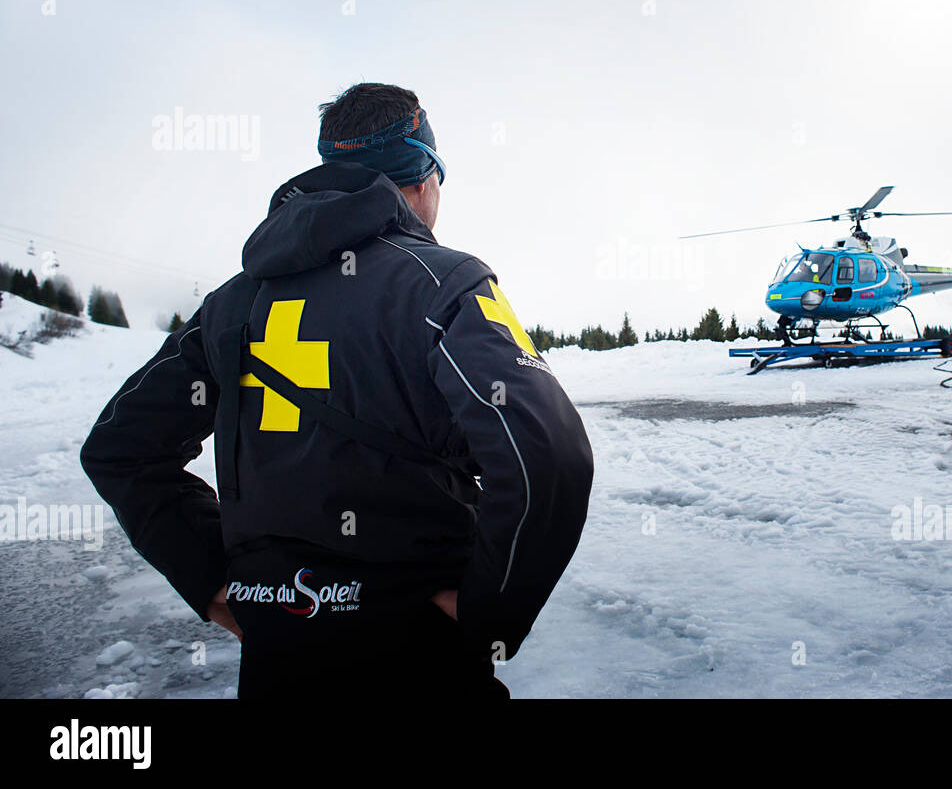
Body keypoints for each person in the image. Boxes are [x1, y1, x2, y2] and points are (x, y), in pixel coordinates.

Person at [81, 82, 594, 698]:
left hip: (278, 652)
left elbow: (121, 448)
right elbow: (549, 454)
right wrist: (491, 611)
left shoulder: (231, 303)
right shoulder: (447, 283)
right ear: (422, 176)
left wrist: (214, 577)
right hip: (418, 654)